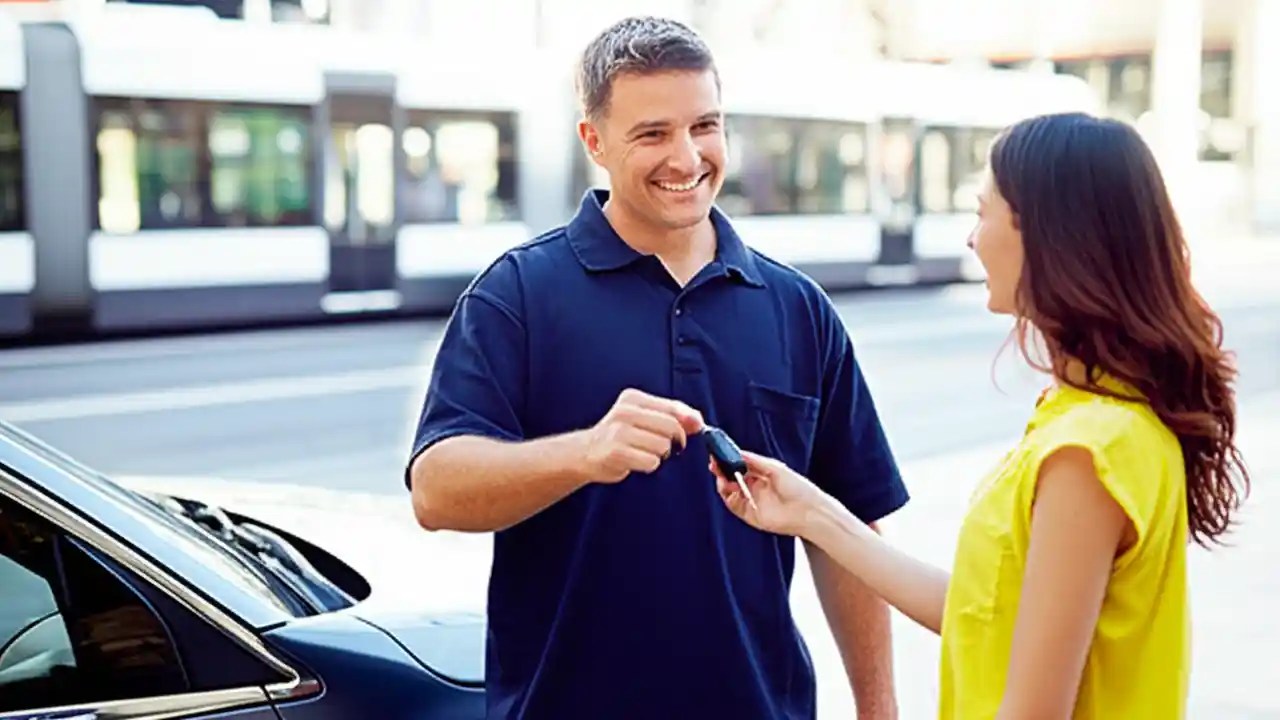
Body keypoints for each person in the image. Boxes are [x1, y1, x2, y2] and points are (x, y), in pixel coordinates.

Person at [405, 14, 909, 720]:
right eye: (653, 134)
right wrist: (583, 454)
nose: (687, 157)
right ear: (595, 141)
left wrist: (877, 711)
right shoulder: (515, 294)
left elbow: (848, 530)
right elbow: (435, 491)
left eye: (705, 125)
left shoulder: (799, 309)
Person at [710, 112, 1252, 719]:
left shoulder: (1088, 452)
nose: (972, 238)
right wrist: (810, 512)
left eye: (981, 211)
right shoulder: (1093, 418)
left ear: (1048, 234)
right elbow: (983, 614)